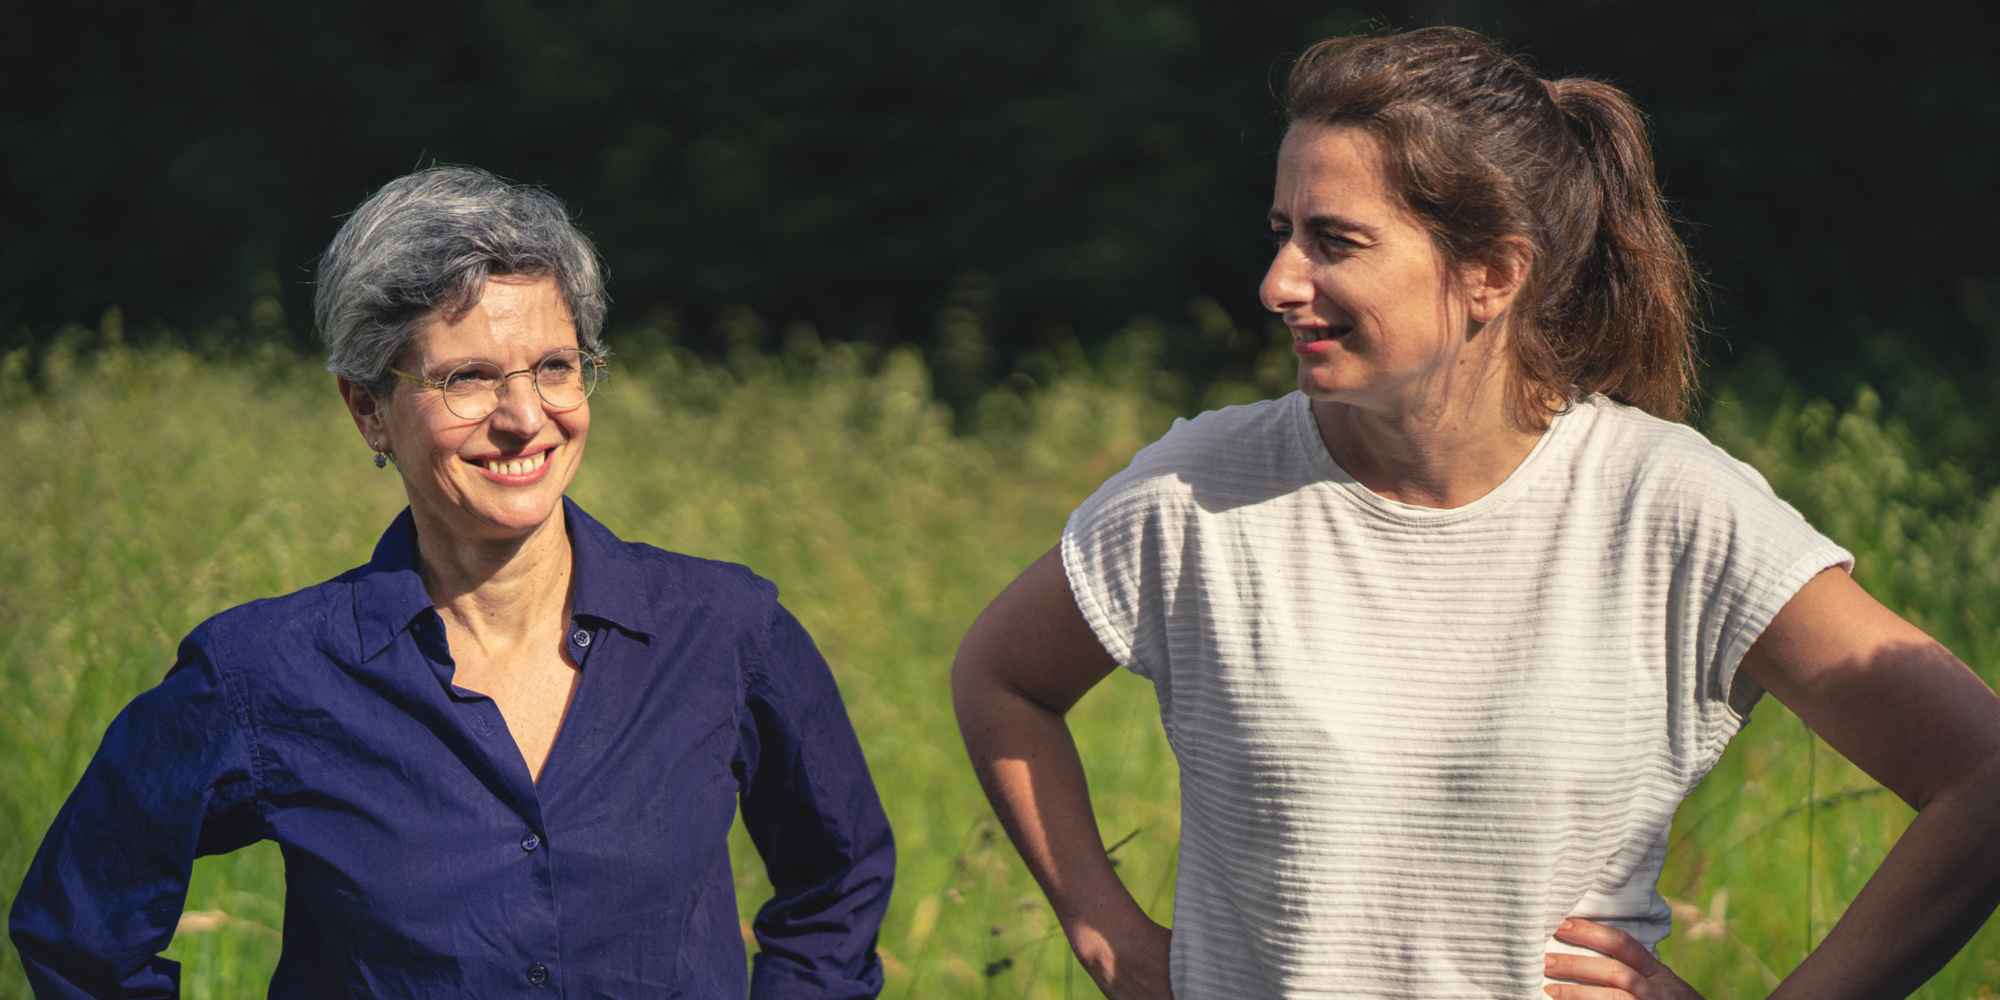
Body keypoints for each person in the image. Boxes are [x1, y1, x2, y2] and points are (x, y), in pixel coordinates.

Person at [952, 27, 2000, 1000]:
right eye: (1281, 232)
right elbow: (1001, 677)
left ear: (1492, 272)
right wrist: (1107, 931)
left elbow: (1980, 776)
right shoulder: (1194, 490)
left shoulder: (1667, 509)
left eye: (1334, 241)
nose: (1276, 281)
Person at [10, 166, 894, 999]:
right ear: (368, 411)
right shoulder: (261, 675)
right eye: (466, 378)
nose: (523, 419)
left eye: (554, 366)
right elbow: (80, 933)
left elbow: (839, 881)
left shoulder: (728, 630)